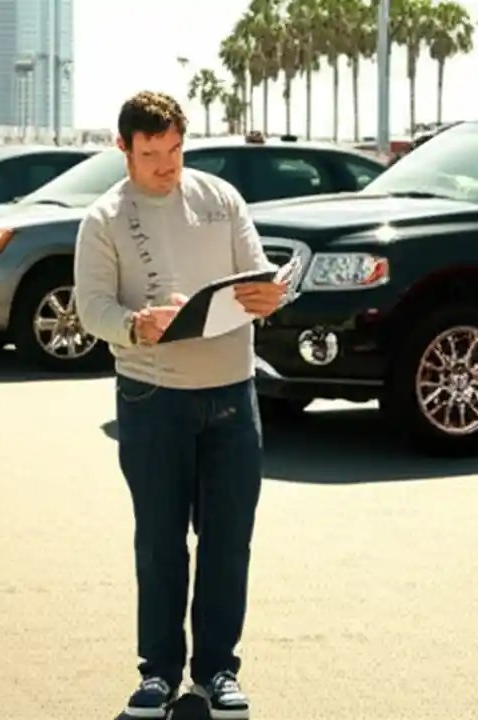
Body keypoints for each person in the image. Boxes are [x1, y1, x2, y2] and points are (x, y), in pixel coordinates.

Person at [73, 91, 287, 720]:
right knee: (162, 542)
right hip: (152, 398)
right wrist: (137, 325)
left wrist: (269, 297)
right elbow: (91, 308)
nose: (167, 166)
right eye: (151, 154)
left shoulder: (219, 199)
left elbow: (258, 273)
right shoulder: (104, 218)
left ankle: (217, 670)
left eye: (174, 150)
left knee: (229, 541)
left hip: (230, 395)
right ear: (124, 149)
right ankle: (158, 675)